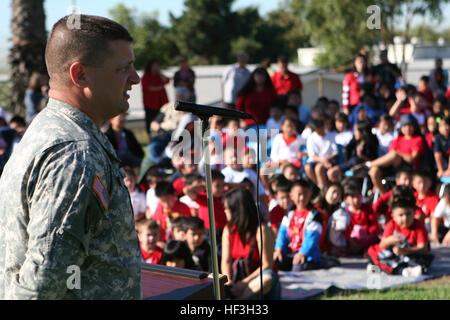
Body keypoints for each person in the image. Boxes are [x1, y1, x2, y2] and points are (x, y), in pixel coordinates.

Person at [0, 15, 142, 299]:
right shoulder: (75, 152)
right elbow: (42, 286)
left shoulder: (48, 129)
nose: (135, 78)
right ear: (81, 75)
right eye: (123, 68)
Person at [221, 187, 280, 300]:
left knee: (267, 278)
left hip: (258, 283)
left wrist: (244, 283)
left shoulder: (261, 230)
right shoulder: (228, 230)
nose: (225, 211)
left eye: (227, 208)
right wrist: (229, 283)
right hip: (237, 282)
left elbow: (267, 265)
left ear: (237, 209)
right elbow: (226, 261)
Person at [274, 179, 332, 271]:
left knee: (298, 267)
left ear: (310, 195)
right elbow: (282, 234)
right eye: (299, 194)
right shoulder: (290, 213)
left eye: (305, 194)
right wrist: (278, 249)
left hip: (308, 254)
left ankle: (323, 262)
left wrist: (303, 253)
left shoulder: (314, 215)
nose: (302, 198)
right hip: (291, 252)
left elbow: (312, 239)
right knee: (277, 263)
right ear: (292, 195)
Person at [367, 199, 433, 277]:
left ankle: (384, 268)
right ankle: (402, 271)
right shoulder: (391, 225)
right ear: (393, 216)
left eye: (408, 214)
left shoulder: (419, 226)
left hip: (410, 254)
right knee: (379, 255)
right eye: (401, 215)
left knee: (423, 259)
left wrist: (404, 251)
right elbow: (382, 244)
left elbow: (423, 247)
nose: (405, 218)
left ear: (414, 213)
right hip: (394, 255)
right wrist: (389, 241)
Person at [367, 114, 426, 194]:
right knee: (374, 171)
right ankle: (383, 196)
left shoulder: (418, 140)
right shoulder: (398, 139)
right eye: (405, 126)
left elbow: (412, 159)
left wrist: (398, 154)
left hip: (408, 168)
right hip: (392, 166)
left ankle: (369, 164)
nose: (408, 128)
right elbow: (390, 155)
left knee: (394, 155)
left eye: (410, 126)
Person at [339, 178, 380, 255]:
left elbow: (374, 227)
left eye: (358, 196)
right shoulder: (345, 213)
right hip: (351, 241)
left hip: (367, 238)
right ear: (346, 199)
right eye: (353, 197)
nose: (356, 200)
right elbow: (345, 231)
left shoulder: (367, 208)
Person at [304, 118, 338, 189]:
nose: (321, 132)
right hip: (316, 160)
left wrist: (326, 160)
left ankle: (323, 189)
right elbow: (312, 155)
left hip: (329, 160)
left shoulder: (331, 135)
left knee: (319, 168)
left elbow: (335, 152)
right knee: (307, 168)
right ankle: (320, 186)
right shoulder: (311, 138)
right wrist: (323, 160)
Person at [141, 58, 170, 135]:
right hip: (151, 104)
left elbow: (167, 80)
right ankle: (151, 135)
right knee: (151, 121)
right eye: (155, 66)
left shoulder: (159, 76)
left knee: (162, 120)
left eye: (157, 66)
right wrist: (158, 88)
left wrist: (160, 73)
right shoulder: (146, 76)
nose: (156, 67)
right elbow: (147, 86)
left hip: (161, 103)